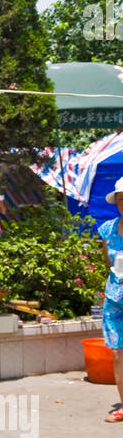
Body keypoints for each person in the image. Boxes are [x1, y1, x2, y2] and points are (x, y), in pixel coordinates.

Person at [97, 178, 123, 422]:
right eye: (121, 198)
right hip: (115, 301)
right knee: (117, 353)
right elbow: (110, 264)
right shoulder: (107, 230)